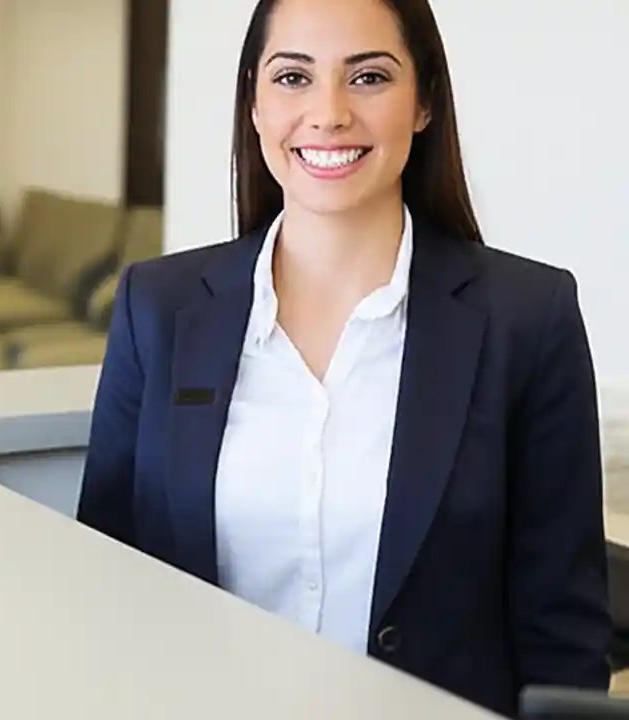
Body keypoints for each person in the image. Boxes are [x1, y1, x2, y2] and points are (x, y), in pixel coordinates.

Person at [78, 0, 610, 715]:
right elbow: (104, 587)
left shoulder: (527, 319)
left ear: (424, 103)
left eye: (368, 77)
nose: (328, 113)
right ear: (255, 106)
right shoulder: (158, 308)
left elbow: (563, 638)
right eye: (293, 77)